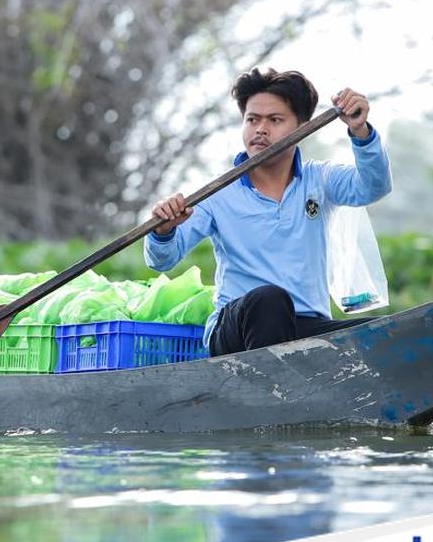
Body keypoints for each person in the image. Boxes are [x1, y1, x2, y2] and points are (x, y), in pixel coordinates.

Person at [144, 68, 392, 355]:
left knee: (385, 332)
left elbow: (373, 187)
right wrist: (163, 231)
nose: (260, 129)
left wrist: (360, 131)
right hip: (238, 328)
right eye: (252, 120)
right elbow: (162, 260)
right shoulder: (216, 193)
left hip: (304, 327)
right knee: (270, 301)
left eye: (275, 120)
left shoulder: (320, 179)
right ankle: (265, 394)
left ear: (302, 127)